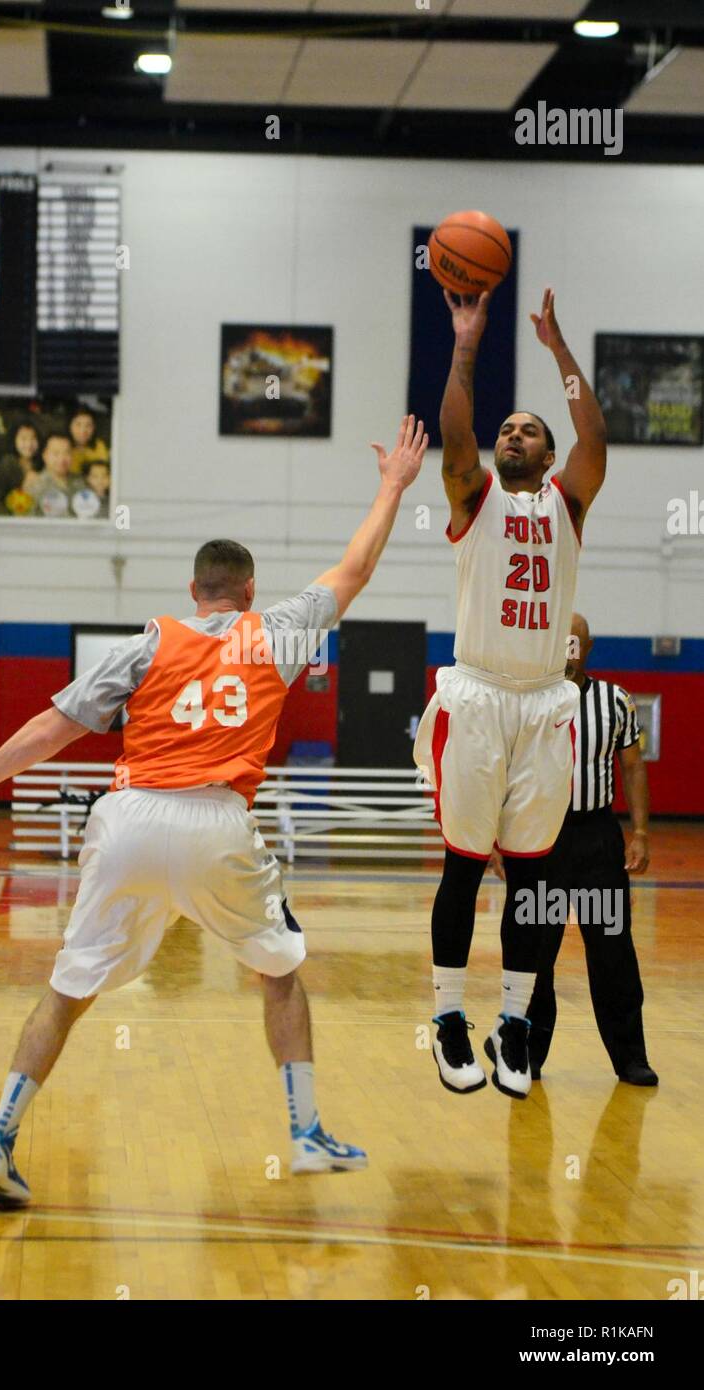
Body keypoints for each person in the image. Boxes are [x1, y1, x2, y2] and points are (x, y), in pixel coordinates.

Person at [0, 415, 430, 1205]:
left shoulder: (146, 640)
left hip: (126, 821)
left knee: (67, 990)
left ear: (194, 592)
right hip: (216, 823)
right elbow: (354, 569)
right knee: (281, 971)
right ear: (249, 590)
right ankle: (303, 1133)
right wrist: (392, 484)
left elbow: (51, 727)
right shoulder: (278, 632)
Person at [414, 286, 607, 1100]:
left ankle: (517, 1024)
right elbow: (456, 431)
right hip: (481, 696)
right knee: (464, 868)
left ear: (550, 452)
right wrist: (466, 343)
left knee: (534, 877)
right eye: (506, 430)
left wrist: (561, 350)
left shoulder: (569, 502)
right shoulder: (474, 497)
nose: (511, 434)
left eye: (528, 428)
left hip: (544, 705)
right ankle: (450, 1017)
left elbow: (596, 434)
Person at [519, 613, 657, 1086]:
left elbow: (634, 768)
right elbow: (507, 771)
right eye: (562, 641)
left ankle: (630, 1058)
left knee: (613, 950)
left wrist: (640, 833)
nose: (568, 650)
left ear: (589, 646)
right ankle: (528, 1055)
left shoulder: (615, 700)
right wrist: (500, 839)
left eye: (575, 642)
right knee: (537, 949)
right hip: (542, 838)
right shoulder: (529, 699)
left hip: (597, 839)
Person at [23, 433, 83, 517]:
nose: (62, 459)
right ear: (45, 456)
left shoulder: (80, 481)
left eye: (67, 453)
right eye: (56, 453)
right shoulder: (34, 486)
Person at [0, 422, 42, 515]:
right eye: (23, 438)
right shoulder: (7, 463)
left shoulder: (42, 463)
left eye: (33, 438)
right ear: (14, 440)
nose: (29, 444)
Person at [68, 407, 109, 475]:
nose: (83, 430)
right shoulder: (63, 446)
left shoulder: (99, 446)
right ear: (70, 426)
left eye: (88, 425)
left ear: (94, 428)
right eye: (78, 424)